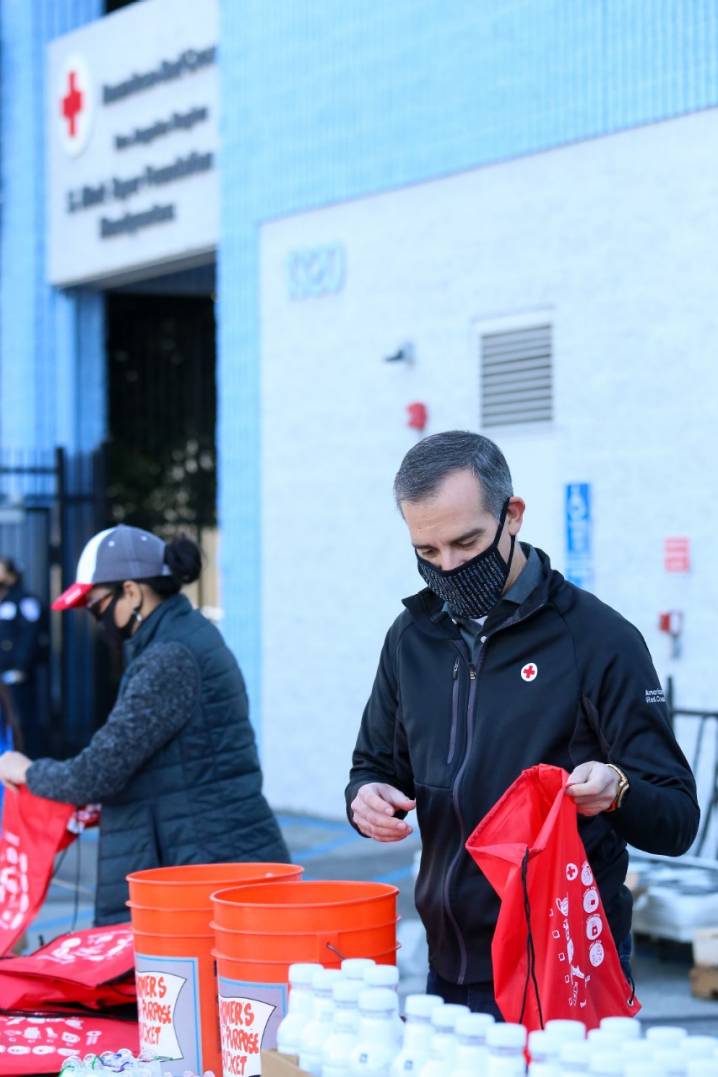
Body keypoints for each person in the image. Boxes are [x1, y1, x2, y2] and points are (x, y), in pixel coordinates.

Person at [345, 431, 699, 1015]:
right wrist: (366, 799)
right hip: (448, 967)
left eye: (466, 542)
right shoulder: (411, 638)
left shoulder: (598, 639)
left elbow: (678, 817)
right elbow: (374, 768)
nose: (450, 568)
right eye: (427, 552)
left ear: (513, 515)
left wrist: (618, 790)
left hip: (567, 967)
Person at [0, 524, 289, 925]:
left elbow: (96, 772)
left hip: (203, 869)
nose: (94, 620)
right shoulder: (179, 638)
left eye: (96, 607)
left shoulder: (169, 657)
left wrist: (28, 771)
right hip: (207, 860)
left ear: (133, 592)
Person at [0, 558, 48, 757]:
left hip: (17, 677)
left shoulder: (26, 601)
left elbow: (30, 636)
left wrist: (20, 668)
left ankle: (28, 765)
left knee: (22, 721)